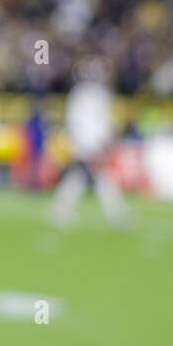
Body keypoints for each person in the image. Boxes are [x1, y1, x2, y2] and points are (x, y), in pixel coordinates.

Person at [49, 56, 131, 228]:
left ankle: (61, 209)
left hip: (91, 142)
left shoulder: (92, 94)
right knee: (97, 176)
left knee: (85, 176)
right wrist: (93, 143)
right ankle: (115, 212)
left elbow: (102, 121)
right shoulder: (87, 94)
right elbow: (82, 122)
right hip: (89, 143)